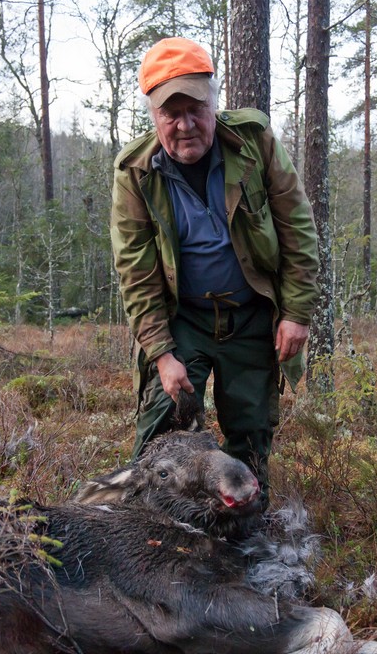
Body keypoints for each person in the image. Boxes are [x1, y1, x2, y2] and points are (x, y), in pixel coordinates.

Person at [112, 37, 319, 504]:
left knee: (249, 437)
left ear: (214, 104)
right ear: (154, 116)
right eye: (171, 114)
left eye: (196, 110)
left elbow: (297, 228)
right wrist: (162, 354)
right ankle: (149, 538)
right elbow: (137, 271)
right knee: (163, 427)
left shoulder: (254, 143)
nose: (185, 125)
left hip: (250, 315)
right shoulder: (136, 173)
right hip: (184, 317)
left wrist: (297, 312)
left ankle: (242, 542)